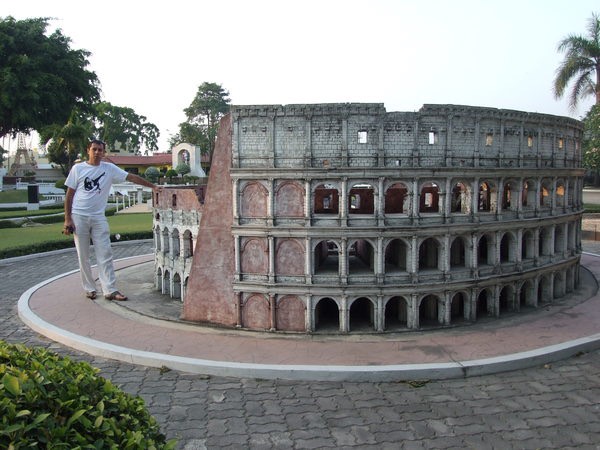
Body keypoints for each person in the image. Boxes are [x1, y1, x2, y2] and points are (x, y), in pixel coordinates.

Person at [63, 139, 157, 301]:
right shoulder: (78, 169)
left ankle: (110, 290)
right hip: (79, 216)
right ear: (88, 150)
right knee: (83, 255)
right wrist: (67, 219)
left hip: (98, 217)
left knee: (105, 252)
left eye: (100, 150)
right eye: (94, 149)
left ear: (104, 152)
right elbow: (69, 195)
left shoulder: (109, 169)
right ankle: (90, 288)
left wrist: (154, 187)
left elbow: (132, 178)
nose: (97, 152)